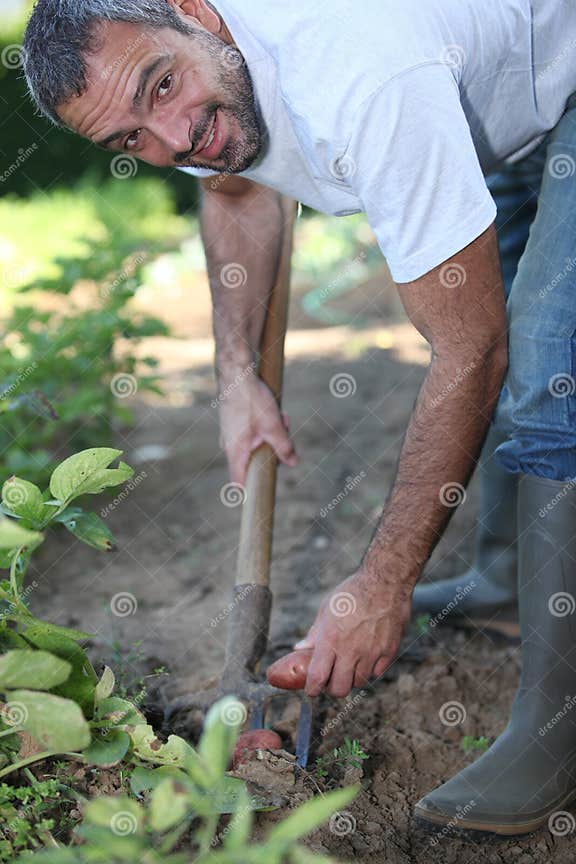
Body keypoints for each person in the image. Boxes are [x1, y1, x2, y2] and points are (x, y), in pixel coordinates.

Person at [23, 0, 576, 835]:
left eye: (162, 85)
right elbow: (236, 187)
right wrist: (235, 375)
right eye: (130, 139)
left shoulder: (359, 74)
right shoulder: (187, 85)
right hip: (490, 95)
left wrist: (382, 582)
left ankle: (555, 729)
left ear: (194, 13)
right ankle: (503, 581)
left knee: (541, 362)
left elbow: (472, 353)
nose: (171, 141)